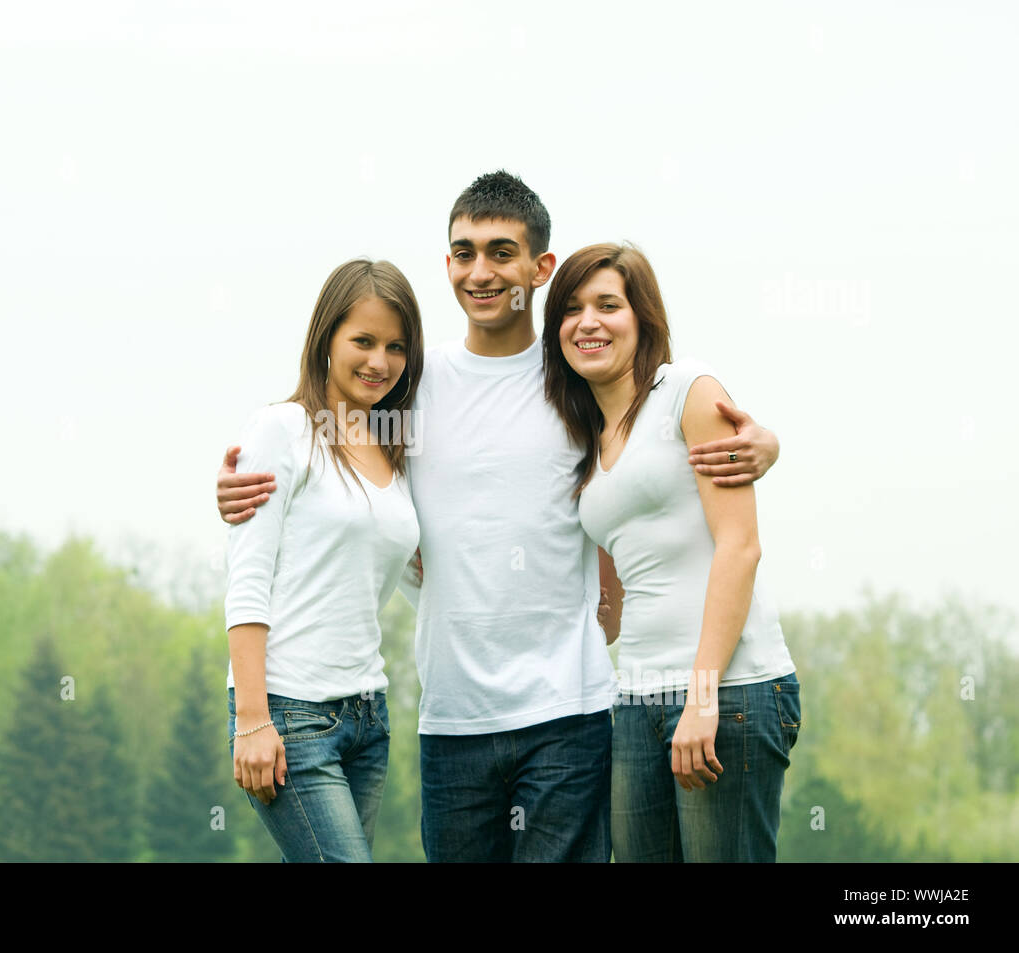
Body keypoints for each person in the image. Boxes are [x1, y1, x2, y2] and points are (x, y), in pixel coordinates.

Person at [217, 171, 782, 863]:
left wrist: (767, 443)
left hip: (568, 719)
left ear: (540, 267)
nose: (480, 271)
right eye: (463, 252)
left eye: (501, 252)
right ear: (448, 264)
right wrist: (237, 485)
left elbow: (650, 440)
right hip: (451, 717)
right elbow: (323, 454)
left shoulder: (576, 379)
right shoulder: (410, 392)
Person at [543, 241, 801, 862]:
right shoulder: (587, 437)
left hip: (730, 691)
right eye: (572, 308)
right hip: (636, 699)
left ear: (643, 319)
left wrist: (702, 697)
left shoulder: (687, 390)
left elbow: (740, 547)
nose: (589, 322)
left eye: (609, 304)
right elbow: (618, 596)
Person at [224, 258, 423, 862]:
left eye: (394, 346)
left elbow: (415, 574)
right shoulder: (283, 429)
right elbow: (248, 576)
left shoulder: (395, 447)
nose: (378, 361)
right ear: (326, 339)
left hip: (368, 713)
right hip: (290, 711)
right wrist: (253, 719)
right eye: (361, 341)